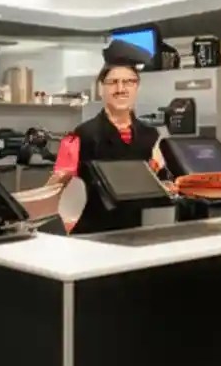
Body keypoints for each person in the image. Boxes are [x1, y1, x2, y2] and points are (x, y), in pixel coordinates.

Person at [47, 41, 165, 234]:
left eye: (128, 82)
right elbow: (57, 183)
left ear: (137, 87)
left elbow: (161, 187)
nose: (121, 89)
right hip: (91, 235)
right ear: (101, 88)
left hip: (136, 234)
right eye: (113, 82)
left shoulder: (151, 136)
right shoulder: (81, 134)